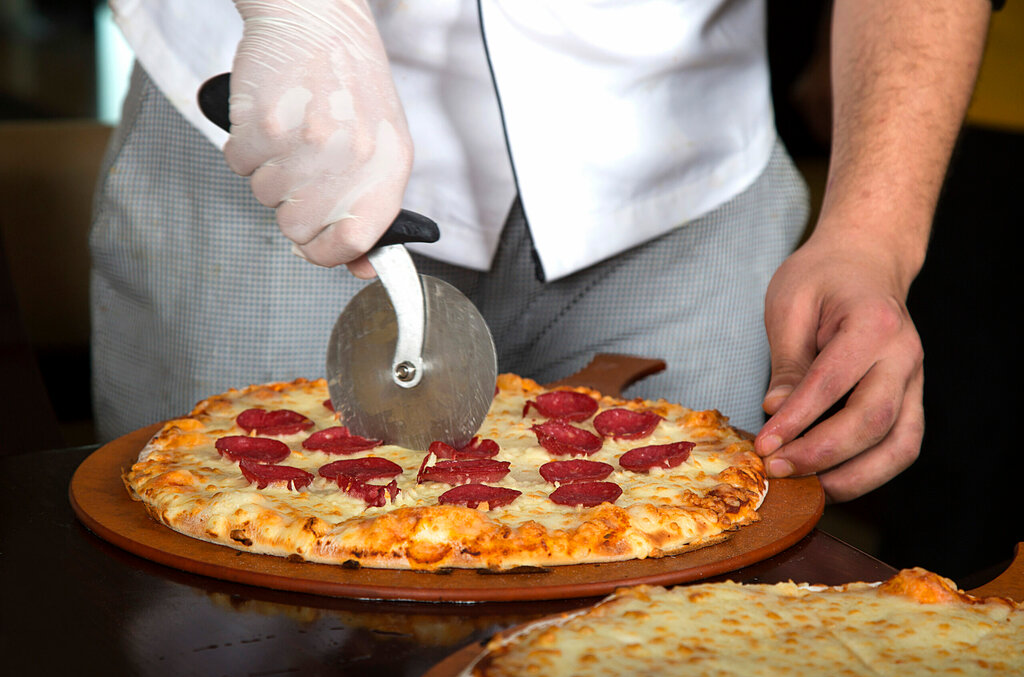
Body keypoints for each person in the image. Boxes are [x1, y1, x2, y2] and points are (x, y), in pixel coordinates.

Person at [93, 0, 993, 504]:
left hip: (675, 152)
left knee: (671, 622)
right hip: (271, 109)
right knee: (225, 600)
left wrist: (874, 235)